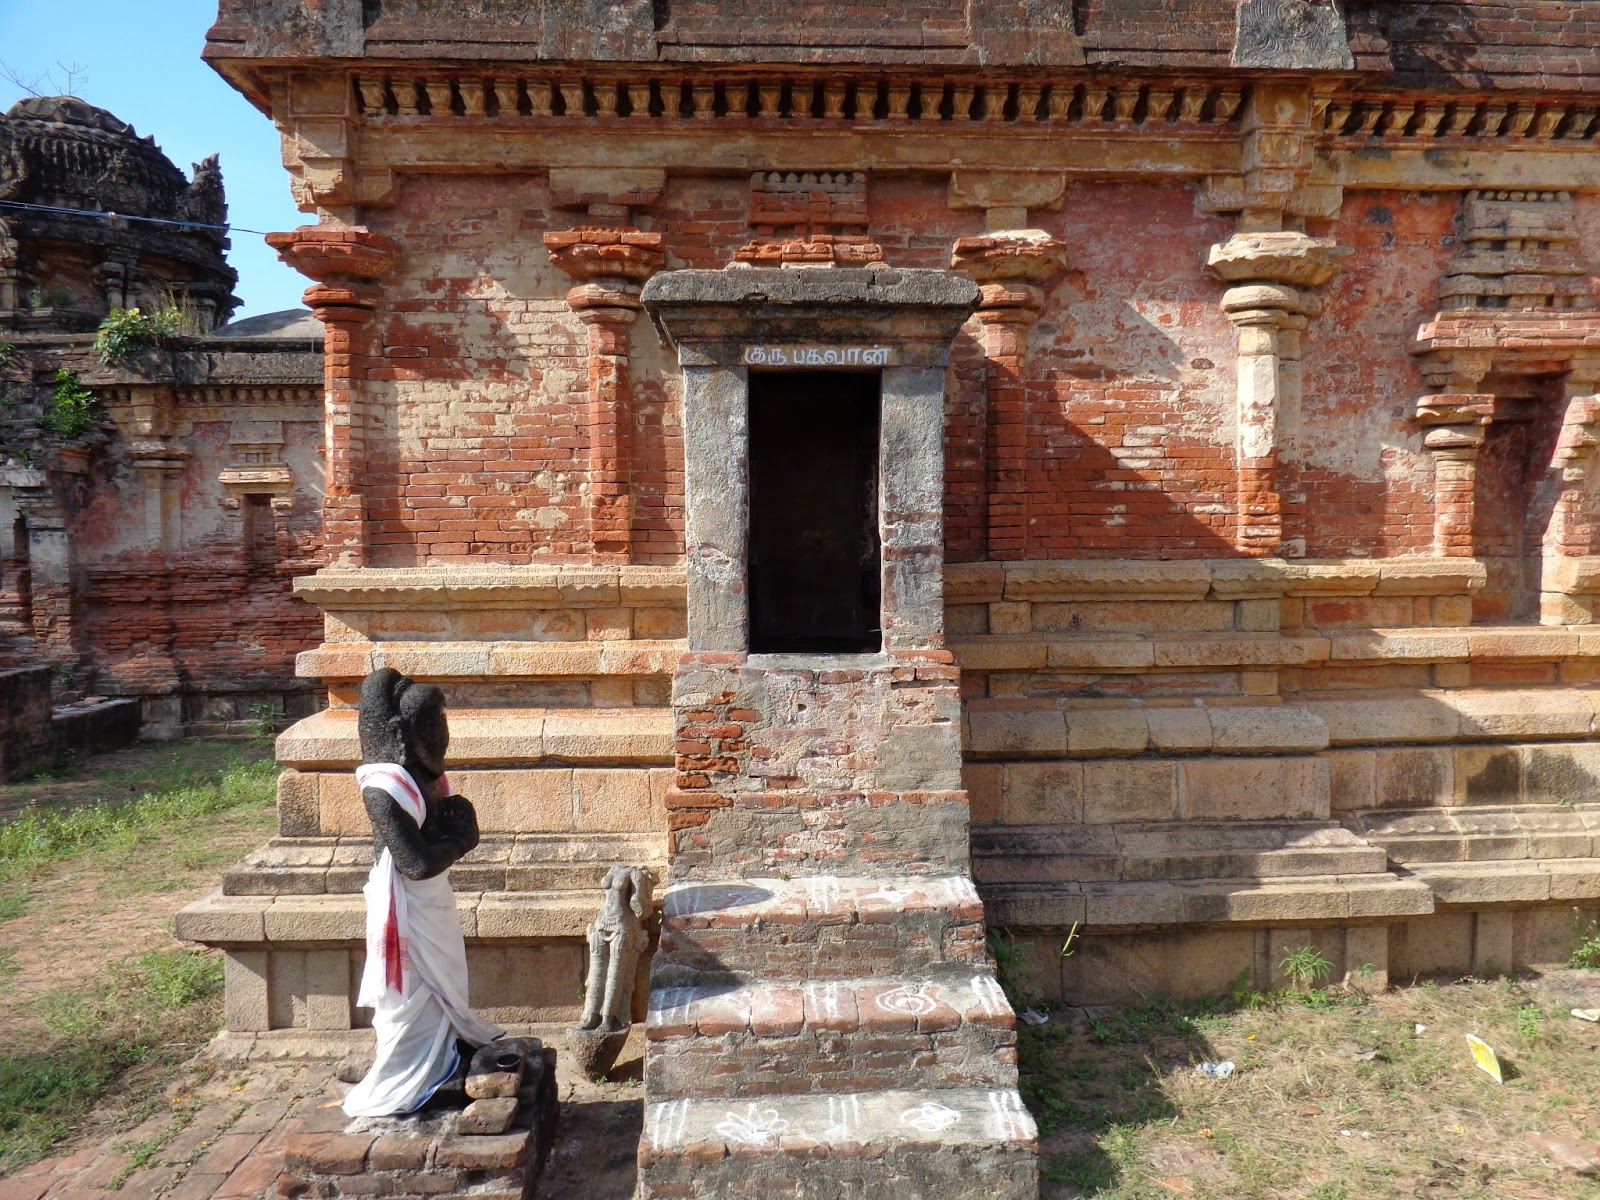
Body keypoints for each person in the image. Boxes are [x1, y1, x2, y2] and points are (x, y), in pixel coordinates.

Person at [342, 667, 502, 1117]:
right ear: (402, 733)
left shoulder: (429, 779)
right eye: (432, 726)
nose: (442, 736)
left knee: (445, 979)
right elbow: (414, 863)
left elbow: (432, 841)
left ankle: (447, 1054)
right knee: (412, 993)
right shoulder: (382, 788)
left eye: (443, 723)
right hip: (408, 906)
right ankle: (408, 1069)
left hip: (434, 901)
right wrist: (460, 841)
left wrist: (455, 828)